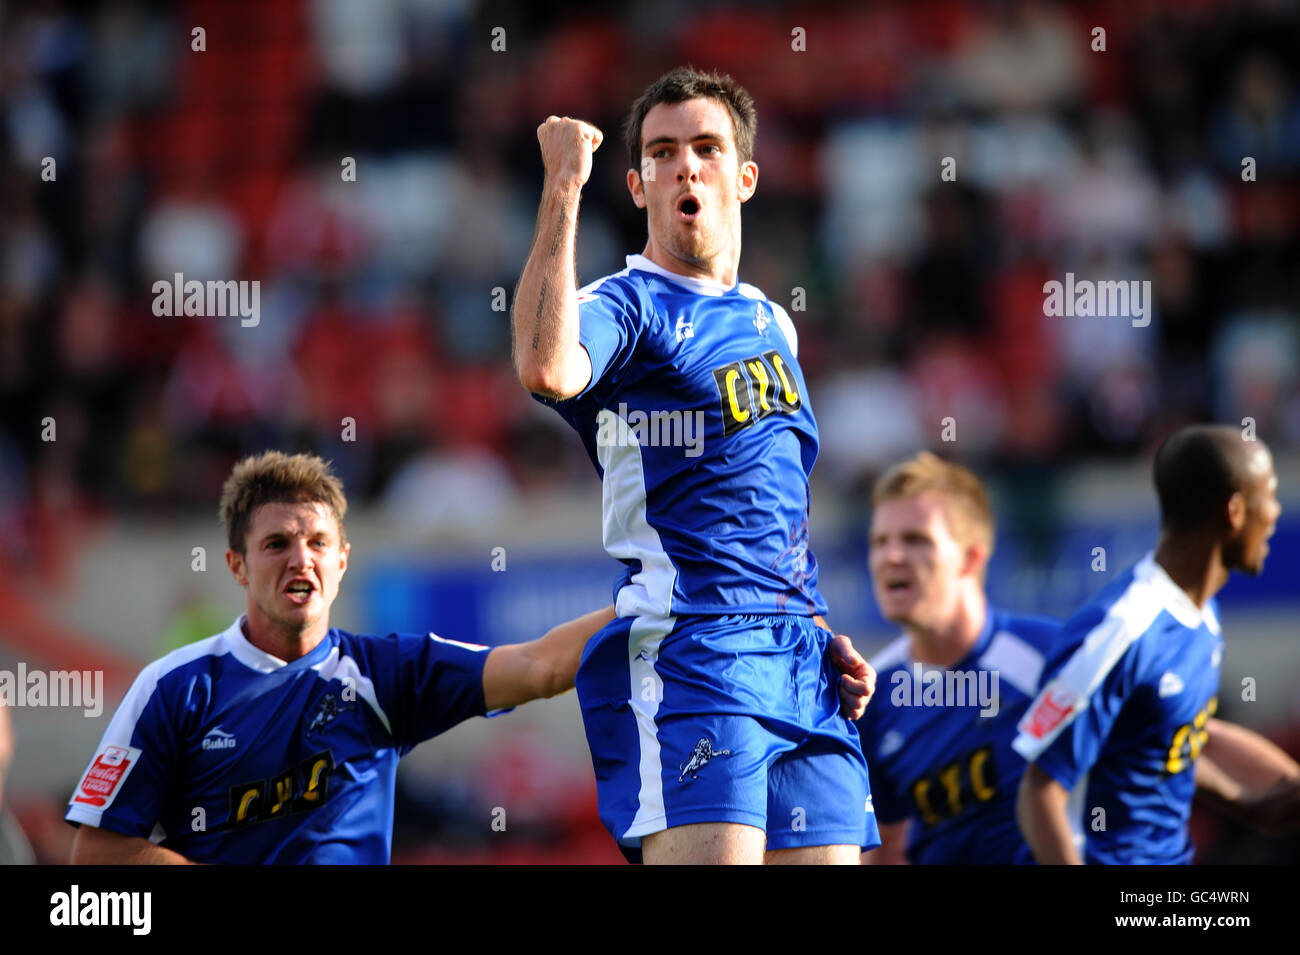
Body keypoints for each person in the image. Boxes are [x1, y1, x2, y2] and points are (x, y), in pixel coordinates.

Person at [511, 67, 877, 864]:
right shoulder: (625, 307)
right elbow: (545, 365)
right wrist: (564, 186)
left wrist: (814, 623)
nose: (685, 166)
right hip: (699, 654)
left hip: (803, 662)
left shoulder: (773, 321)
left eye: (706, 148)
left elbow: (771, 500)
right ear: (638, 185)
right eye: (663, 153)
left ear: (743, 176)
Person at [65, 450, 618, 864]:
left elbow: (539, 667)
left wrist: (655, 600)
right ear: (237, 566)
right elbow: (97, 853)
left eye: (318, 543)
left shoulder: (387, 673)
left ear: (343, 561)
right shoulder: (174, 688)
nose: (300, 559)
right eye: (277, 543)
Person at [1015, 424, 1298, 863]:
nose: (1276, 513)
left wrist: (1246, 801)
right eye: (1270, 495)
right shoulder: (1122, 630)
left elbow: (1164, 737)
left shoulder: (1201, 610)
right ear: (1236, 510)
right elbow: (1039, 791)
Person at [857, 452, 1059, 864]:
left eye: (915, 540)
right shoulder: (871, 699)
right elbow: (884, 853)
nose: (891, 557)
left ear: (971, 558)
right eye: (880, 542)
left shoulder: (1049, 657)